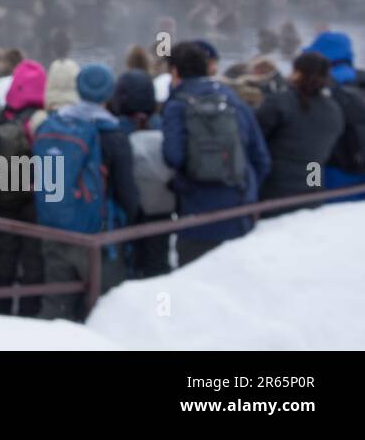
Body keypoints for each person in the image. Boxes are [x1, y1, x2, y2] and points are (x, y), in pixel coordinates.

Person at [35, 64, 138, 321]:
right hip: (97, 235)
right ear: (109, 93)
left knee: (56, 307)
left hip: (55, 229)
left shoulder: (52, 126)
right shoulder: (113, 134)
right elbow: (127, 193)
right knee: (106, 309)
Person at [161, 41, 271, 266]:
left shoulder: (176, 105)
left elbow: (173, 156)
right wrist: (246, 192)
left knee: (197, 287)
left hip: (196, 216)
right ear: (209, 67)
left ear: (174, 71)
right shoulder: (233, 100)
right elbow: (261, 158)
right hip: (239, 212)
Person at [0, 58, 46, 316]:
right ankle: (29, 318)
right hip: (34, 198)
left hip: (5, 196)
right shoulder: (43, 120)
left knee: (2, 256)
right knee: (33, 260)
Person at [255, 51, 344, 211]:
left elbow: (254, 140)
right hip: (314, 191)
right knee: (315, 162)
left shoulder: (280, 102)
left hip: (276, 192)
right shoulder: (334, 110)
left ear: (297, 73)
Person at [113, 70, 172, 278]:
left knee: (130, 259)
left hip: (129, 210)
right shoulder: (163, 126)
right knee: (158, 261)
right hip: (161, 208)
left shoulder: (116, 131)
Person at [304, 32, 365, 200]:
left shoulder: (319, 90)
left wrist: (311, 188)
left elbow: (312, 152)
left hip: (334, 181)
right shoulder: (360, 81)